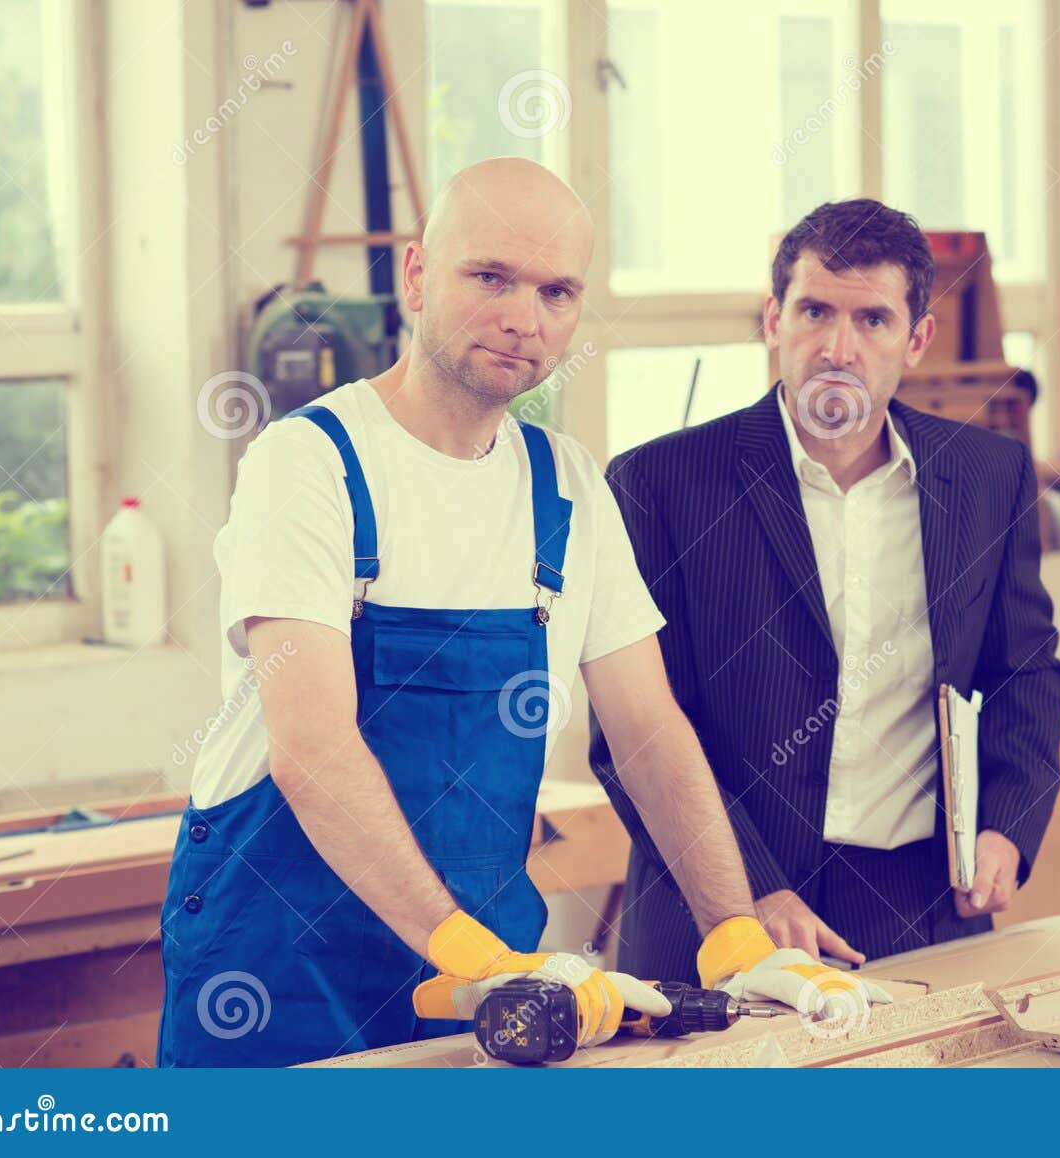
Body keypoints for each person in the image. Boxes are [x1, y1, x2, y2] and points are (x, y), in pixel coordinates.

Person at [157, 161, 886, 1068]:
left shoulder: (568, 483)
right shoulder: (307, 465)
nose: (523, 318)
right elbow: (312, 749)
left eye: (557, 292)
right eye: (491, 277)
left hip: (484, 975)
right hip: (281, 971)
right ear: (418, 278)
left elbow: (651, 731)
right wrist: (473, 956)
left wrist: (734, 933)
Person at [592, 199, 1060, 983]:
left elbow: (1027, 673)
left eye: (873, 320)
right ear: (773, 318)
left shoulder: (988, 474)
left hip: (918, 905)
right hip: (713, 912)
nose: (837, 348)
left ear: (916, 338)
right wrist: (746, 890)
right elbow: (635, 730)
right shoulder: (659, 485)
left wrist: (1007, 826)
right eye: (814, 311)